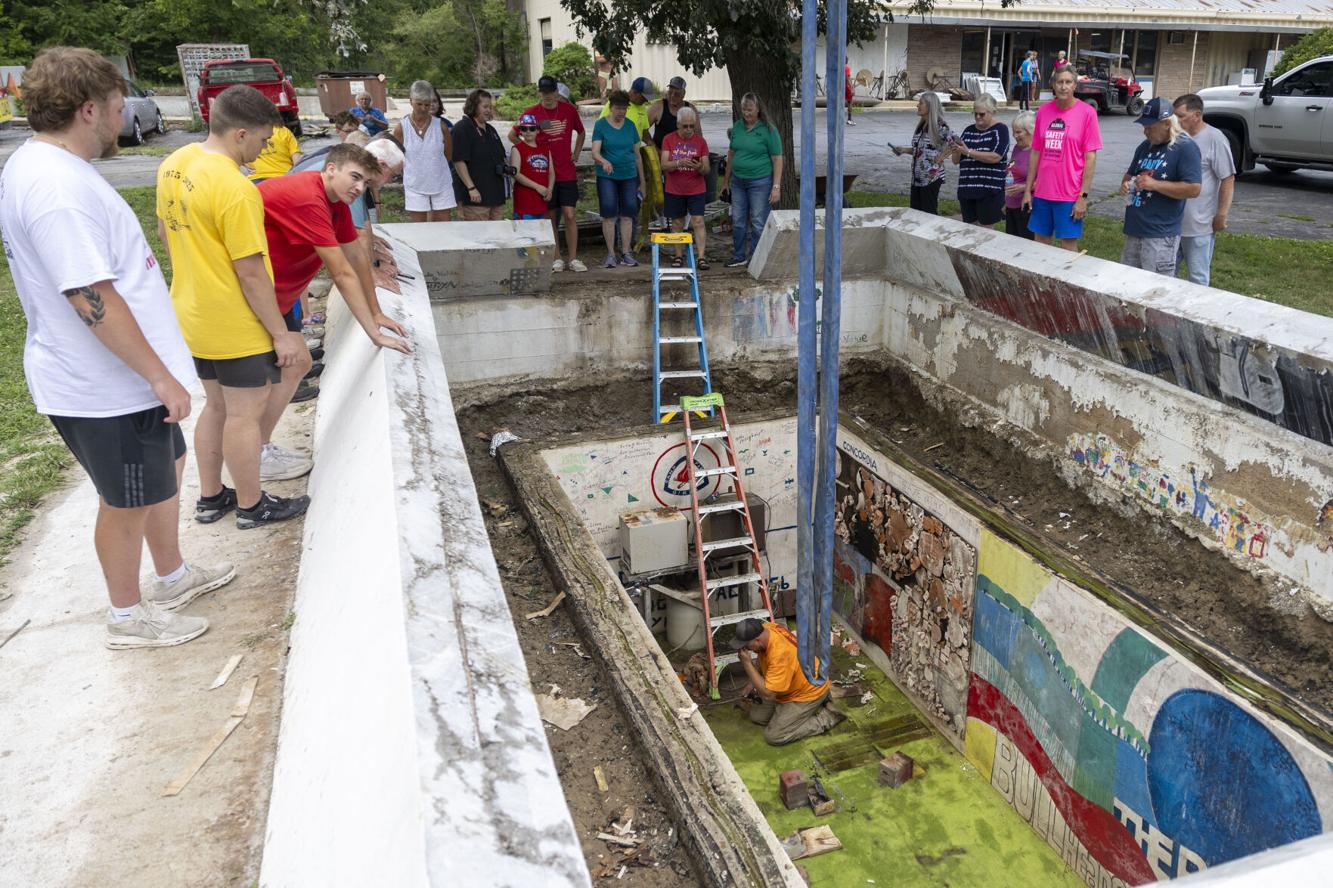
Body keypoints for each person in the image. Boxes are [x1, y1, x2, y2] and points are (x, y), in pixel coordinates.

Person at [0, 46, 233, 648]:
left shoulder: (53, 167)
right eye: (115, 105)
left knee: (163, 473)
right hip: (105, 385)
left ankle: (172, 575)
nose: (120, 116)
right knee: (126, 499)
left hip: (122, 378)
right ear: (88, 109)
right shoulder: (55, 188)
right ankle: (127, 618)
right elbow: (87, 294)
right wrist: (159, 375)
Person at [156, 84, 311, 529]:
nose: (263, 153)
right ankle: (250, 504)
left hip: (191, 311)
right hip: (232, 319)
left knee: (216, 407)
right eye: (263, 141)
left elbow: (168, 235)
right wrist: (280, 333)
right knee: (245, 413)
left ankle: (210, 498)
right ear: (240, 133)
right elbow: (251, 272)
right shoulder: (236, 188)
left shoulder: (174, 164)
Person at [258, 144, 411, 455]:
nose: (359, 188)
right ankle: (255, 450)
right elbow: (341, 273)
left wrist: (377, 312)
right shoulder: (310, 197)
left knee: (295, 364)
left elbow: (356, 256)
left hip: (278, 296)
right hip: (252, 296)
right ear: (330, 169)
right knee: (250, 391)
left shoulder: (337, 205)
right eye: (354, 178)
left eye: (366, 182)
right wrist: (374, 333)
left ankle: (258, 445)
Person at [511, 75, 587, 272]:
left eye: (550, 92)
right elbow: (514, 134)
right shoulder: (532, 113)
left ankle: (573, 258)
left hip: (566, 171)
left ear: (556, 92)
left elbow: (581, 131)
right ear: (540, 93)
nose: (547, 96)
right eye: (543, 92)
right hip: (544, 175)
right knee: (550, 216)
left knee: (570, 214)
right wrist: (529, 150)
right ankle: (557, 258)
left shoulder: (568, 110)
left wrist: (576, 153)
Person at [1118, 98, 1202, 277]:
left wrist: (1155, 185)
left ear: (1166, 124)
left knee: (1154, 288)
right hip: (1134, 228)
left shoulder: (1185, 147)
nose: (1145, 131)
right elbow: (1129, 175)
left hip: (1160, 234)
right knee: (1126, 283)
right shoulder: (1144, 147)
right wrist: (1126, 185)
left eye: (1150, 127)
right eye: (1144, 126)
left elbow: (1194, 189)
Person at [1022, 66, 1102, 250]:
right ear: (1053, 85)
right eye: (1060, 82)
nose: (1063, 87)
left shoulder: (1087, 113)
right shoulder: (1043, 111)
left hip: (1069, 195)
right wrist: (1028, 190)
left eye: (1068, 82)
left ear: (1075, 85)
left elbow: (1090, 158)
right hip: (1043, 192)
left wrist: (1083, 197)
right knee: (1040, 245)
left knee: (1067, 248)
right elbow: (1035, 152)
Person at [733, 618, 843, 746]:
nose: (746, 649)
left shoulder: (780, 654)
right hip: (790, 684)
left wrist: (747, 663)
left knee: (775, 736)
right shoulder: (768, 628)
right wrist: (750, 684)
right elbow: (761, 655)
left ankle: (827, 717)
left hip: (807, 692)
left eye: (747, 645)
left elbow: (769, 694)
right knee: (757, 717)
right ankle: (793, 714)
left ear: (757, 640)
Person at [1172, 93, 1235, 287]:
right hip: (1171, 222)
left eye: (1181, 116)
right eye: (1174, 116)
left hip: (1199, 223)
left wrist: (1221, 214)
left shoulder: (1214, 139)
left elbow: (1228, 178)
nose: (1177, 121)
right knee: (1166, 272)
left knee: (1198, 277)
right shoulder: (1175, 137)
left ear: (1197, 115)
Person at [719, 92, 783, 268]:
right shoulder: (738, 127)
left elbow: (777, 159)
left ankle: (756, 257)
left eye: (750, 110)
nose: (746, 113)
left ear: (758, 109)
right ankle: (739, 255)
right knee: (738, 220)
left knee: (758, 221)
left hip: (760, 182)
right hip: (738, 181)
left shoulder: (768, 130)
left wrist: (775, 186)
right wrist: (726, 181)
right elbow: (731, 154)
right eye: (744, 109)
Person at [592, 90, 646, 268]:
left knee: (628, 214)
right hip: (607, 176)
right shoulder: (601, 125)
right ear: (610, 107)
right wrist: (604, 161)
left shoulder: (630, 126)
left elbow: (637, 155)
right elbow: (595, 152)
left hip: (629, 175)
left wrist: (643, 181)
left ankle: (626, 252)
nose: (620, 112)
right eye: (617, 108)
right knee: (609, 214)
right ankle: (610, 254)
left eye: (624, 108)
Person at [394, 80, 455, 222]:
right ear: (411, 101)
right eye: (419, 104)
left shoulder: (441, 126)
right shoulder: (401, 128)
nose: (423, 108)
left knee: (443, 227)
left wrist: (433, 167)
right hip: (414, 184)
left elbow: (448, 155)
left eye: (427, 104)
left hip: (441, 183)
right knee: (418, 229)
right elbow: (397, 157)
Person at [661, 107, 710, 269]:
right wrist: (678, 163)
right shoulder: (669, 139)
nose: (689, 130)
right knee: (677, 223)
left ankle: (701, 257)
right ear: (678, 125)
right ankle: (678, 255)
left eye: (691, 126)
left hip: (696, 188)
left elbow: (707, 169)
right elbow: (664, 165)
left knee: (698, 221)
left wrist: (699, 167)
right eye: (685, 126)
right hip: (675, 188)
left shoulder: (700, 141)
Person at [952, 94, 1010, 229]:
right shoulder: (968, 130)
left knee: (986, 230)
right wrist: (955, 149)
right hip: (967, 190)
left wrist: (968, 152)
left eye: (982, 114)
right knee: (969, 229)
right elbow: (956, 161)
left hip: (988, 191)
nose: (978, 117)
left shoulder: (1000, 130)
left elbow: (996, 156)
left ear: (992, 112)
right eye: (975, 114)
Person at [892, 91, 952, 215]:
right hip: (917, 178)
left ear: (930, 106)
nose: (917, 106)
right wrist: (903, 150)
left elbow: (955, 143)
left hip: (931, 177)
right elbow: (921, 151)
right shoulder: (921, 126)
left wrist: (940, 158)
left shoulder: (940, 126)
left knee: (928, 214)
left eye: (921, 103)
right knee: (915, 214)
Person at [452, 88, 507, 221]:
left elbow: (501, 157)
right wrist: (471, 188)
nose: (488, 110)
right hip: (475, 199)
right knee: (478, 238)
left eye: (490, 107)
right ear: (474, 106)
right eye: (485, 106)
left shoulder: (491, 130)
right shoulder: (462, 128)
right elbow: (458, 161)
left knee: (497, 238)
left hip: (495, 197)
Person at [511, 113, 555, 222]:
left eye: (532, 128)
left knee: (539, 233)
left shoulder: (545, 149)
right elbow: (516, 173)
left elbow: (551, 172)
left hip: (541, 200)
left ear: (538, 130)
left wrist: (550, 189)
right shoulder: (517, 148)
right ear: (520, 131)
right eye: (524, 129)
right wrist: (537, 187)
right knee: (525, 235)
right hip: (525, 201)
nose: (528, 131)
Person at [1004, 111, 1036, 239]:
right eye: (1014, 132)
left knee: (1026, 245)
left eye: (1018, 132)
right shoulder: (1017, 148)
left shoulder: (1037, 152)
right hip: (1011, 205)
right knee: (1011, 244)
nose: (1014, 136)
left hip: (1027, 206)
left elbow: (1046, 182)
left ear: (1030, 131)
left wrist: (1024, 188)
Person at [648, 75, 696, 151]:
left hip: (684, 154)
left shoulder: (691, 109)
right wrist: (655, 149)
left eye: (677, 94)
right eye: (670, 92)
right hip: (660, 153)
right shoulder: (658, 106)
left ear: (683, 94)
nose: (672, 96)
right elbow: (643, 130)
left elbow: (698, 134)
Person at [600, 76, 653, 142]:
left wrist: (652, 144)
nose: (646, 101)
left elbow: (644, 132)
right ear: (635, 92)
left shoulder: (642, 107)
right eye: (644, 98)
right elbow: (601, 128)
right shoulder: (616, 102)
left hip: (633, 150)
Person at [844, 58, 856, 126]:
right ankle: (849, 119)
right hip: (846, 86)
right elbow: (847, 78)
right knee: (849, 102)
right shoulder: (847, 68)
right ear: (847, 61)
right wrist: (852, 88)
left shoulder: (838, 67)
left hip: (840, 86)